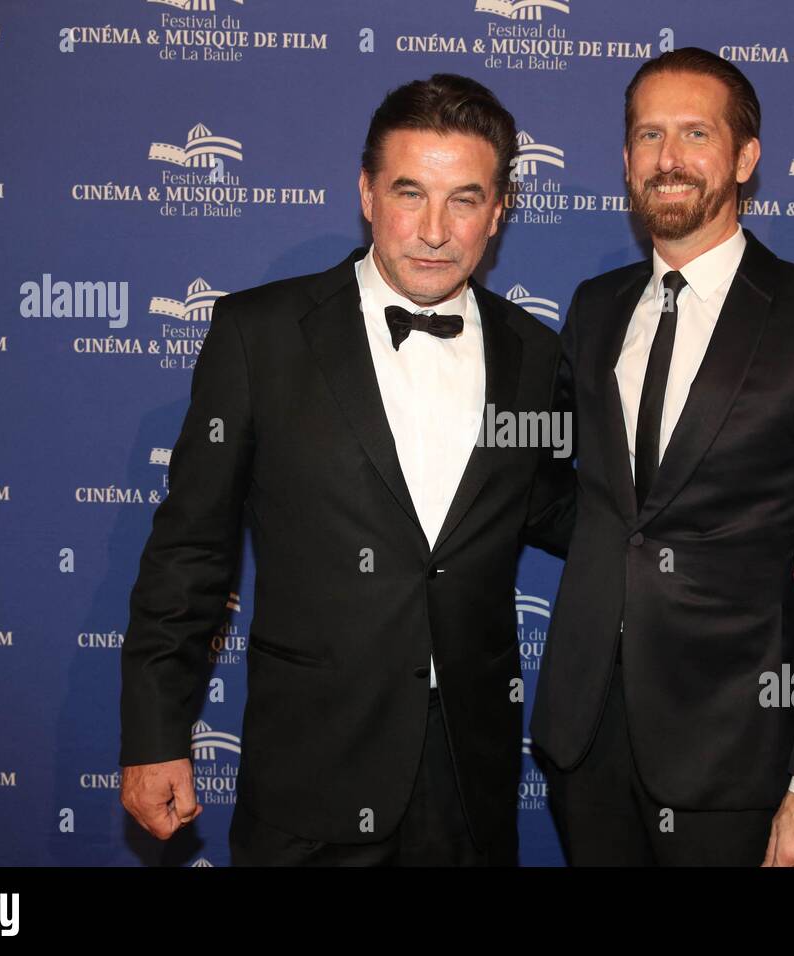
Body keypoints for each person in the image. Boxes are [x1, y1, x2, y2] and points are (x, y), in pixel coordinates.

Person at [119, 73, 574, 866]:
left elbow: (562, 509)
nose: (433, 230)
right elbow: (190, 551)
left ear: (500, 212)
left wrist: (727, 525)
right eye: (409, 193)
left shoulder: (534, 353)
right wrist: (156, 736)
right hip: (310, 769)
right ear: (367, 194)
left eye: (464, 200)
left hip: (468, 779)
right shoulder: (260, 335)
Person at [530, 47, 794, 866]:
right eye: (648, 135)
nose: (669, 158)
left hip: (733, 745)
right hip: (584, 738)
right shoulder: (595, 307)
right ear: (626, 160)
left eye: (696, 133)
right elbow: (555, 482)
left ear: (745, 157)